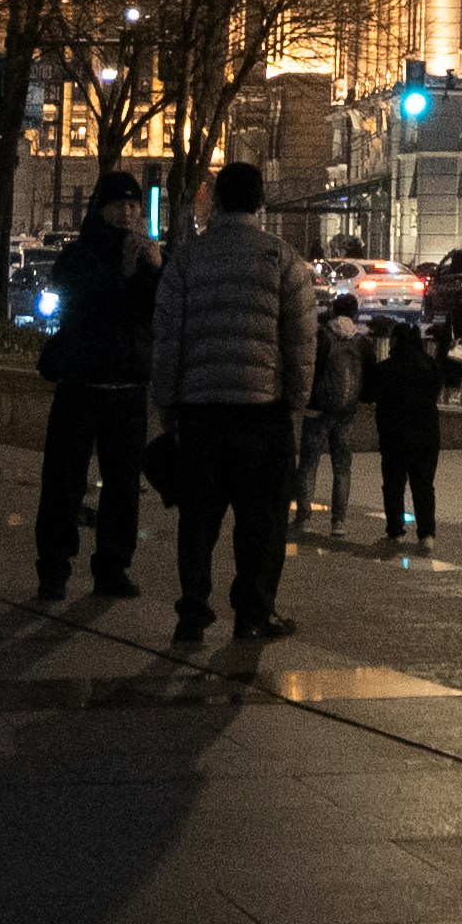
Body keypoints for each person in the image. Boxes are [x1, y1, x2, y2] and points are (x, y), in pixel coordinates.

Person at [147, 159, 314, 642]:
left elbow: (167, 338)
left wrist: (167, 403)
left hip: (200, 412)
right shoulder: (282, 259)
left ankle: (193, 611)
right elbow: (301, 343)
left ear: (216, 201)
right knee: (260, 524)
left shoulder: (187, 259)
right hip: (262, 413)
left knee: (198, 520)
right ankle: (253, 614)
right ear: (261, 202)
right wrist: (295, 405)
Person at [33, 174, 158, 604]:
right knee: (64, 480)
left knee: (123, 483)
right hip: (82, 381)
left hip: (128, 386)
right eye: (118, 204)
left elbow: (157, 313)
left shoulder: (146, 257)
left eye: (134, 206)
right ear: (100, 208)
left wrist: (153, 270)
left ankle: (113, 566)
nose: (127, 213)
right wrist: (124, 271)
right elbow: (81, 305)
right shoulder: (78, 255)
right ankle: (54, 567)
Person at [365, 312, 448, 546]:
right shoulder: (429, 366)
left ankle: (395, 530)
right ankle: (426, 534)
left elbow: (369, 394)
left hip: (394, 435)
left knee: (393, 484)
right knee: (423, 485)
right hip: (426, 435)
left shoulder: (387, 368)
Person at [303, 295, 367, 530]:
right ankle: (338, 522)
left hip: (319, 408)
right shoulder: (360, 341)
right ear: (355, 313)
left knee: (309, 463)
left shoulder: (323, 336)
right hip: (347, 410)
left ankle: (304, 518)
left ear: (333, 311)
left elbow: (313, 367)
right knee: (342, 468)